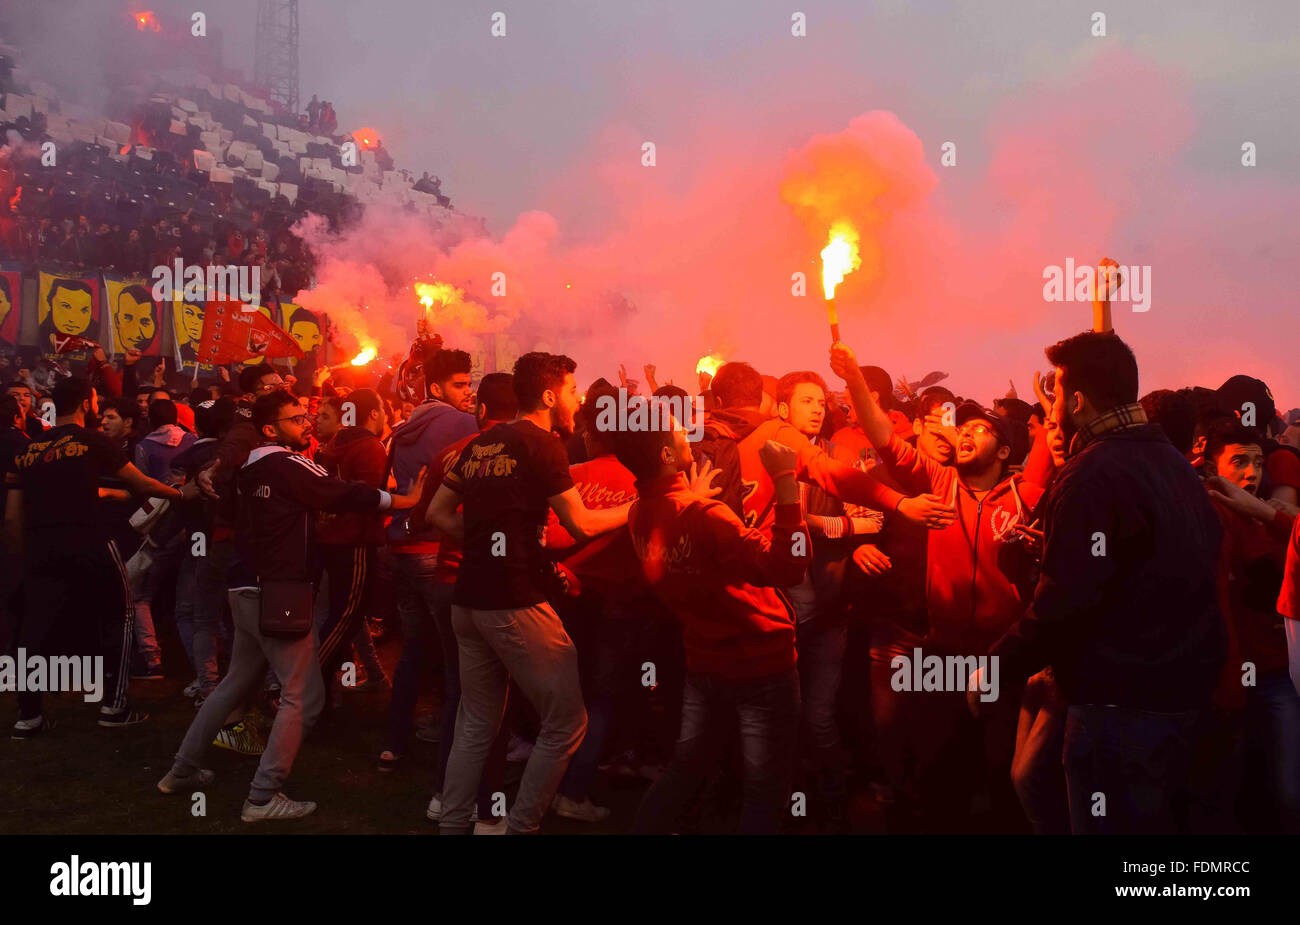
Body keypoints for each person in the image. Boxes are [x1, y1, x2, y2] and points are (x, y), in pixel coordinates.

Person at [978, 331, 1227, 835]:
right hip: (1176, 697)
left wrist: (994, 666)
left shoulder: (1092, 473)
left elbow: (1065, 603)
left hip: (1118, 706)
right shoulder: (1173, 464)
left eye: (1057, 400)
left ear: (1076, 400)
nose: (1051, 416)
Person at [157, 389, 423, 820]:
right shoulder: (286, 462)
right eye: (296, 417)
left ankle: (181, 770)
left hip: (243, 587)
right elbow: (340, 491)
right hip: (279, 590)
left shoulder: (243, 466)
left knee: (233, 684)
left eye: (306, 415)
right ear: (270, 429)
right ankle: (262, 796)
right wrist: (403, 501)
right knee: (304, 695)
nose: (306, 422)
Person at [426, 352, 631, 835]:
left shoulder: (482, 444)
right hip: (514, 601)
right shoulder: (543, 444)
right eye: (572, 390)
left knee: (476, 723)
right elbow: (581, 524)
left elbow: (436, 514)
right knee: (567, 722)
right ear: (548, 395)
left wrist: (482, 547)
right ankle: (522, 827)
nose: (577, 399)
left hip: (467, 601)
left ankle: (453, 825)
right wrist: (638, 509)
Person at [605, 399, 808, 834]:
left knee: (686, 767)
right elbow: (790, 567)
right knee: (765, 785)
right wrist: (787, 484)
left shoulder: (641, 513)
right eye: (679, 432)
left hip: (703, 662)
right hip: (761, 664)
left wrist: (691, 501)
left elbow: (685, 545)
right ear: (663, 453)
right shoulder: (706, 515)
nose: (689, 436)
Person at [6, 377, 181, 737]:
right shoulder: (93, 440)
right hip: (90, 541)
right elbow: (142, 484)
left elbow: (12, 513)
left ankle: (28, 716)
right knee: (119, 615)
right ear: (87, 403)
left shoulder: (30, 446)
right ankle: (114, 708)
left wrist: (21, 553)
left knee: (33, 627)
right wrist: (182, 494)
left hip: (41, 545)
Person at [1202, 421, 1299, 832]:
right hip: (1232, 680)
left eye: (1258, 462)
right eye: (1238, 462)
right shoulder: (1211, 516)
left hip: (1280, 675)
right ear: (1211, 468)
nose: (1251, 473)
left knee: (1289, 791)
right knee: (1233, 792)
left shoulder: (1273, 516)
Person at [312, 389, 389, 693]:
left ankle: (334, 689)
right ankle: (302, 684)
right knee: (346, 617)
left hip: (331, 536)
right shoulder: (369, 446)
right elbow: (369, 496)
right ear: (373, 413)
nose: (385, 415)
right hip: (353, 539)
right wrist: (403, 498)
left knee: (343, 615)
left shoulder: (335, 444)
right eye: (383, 409)